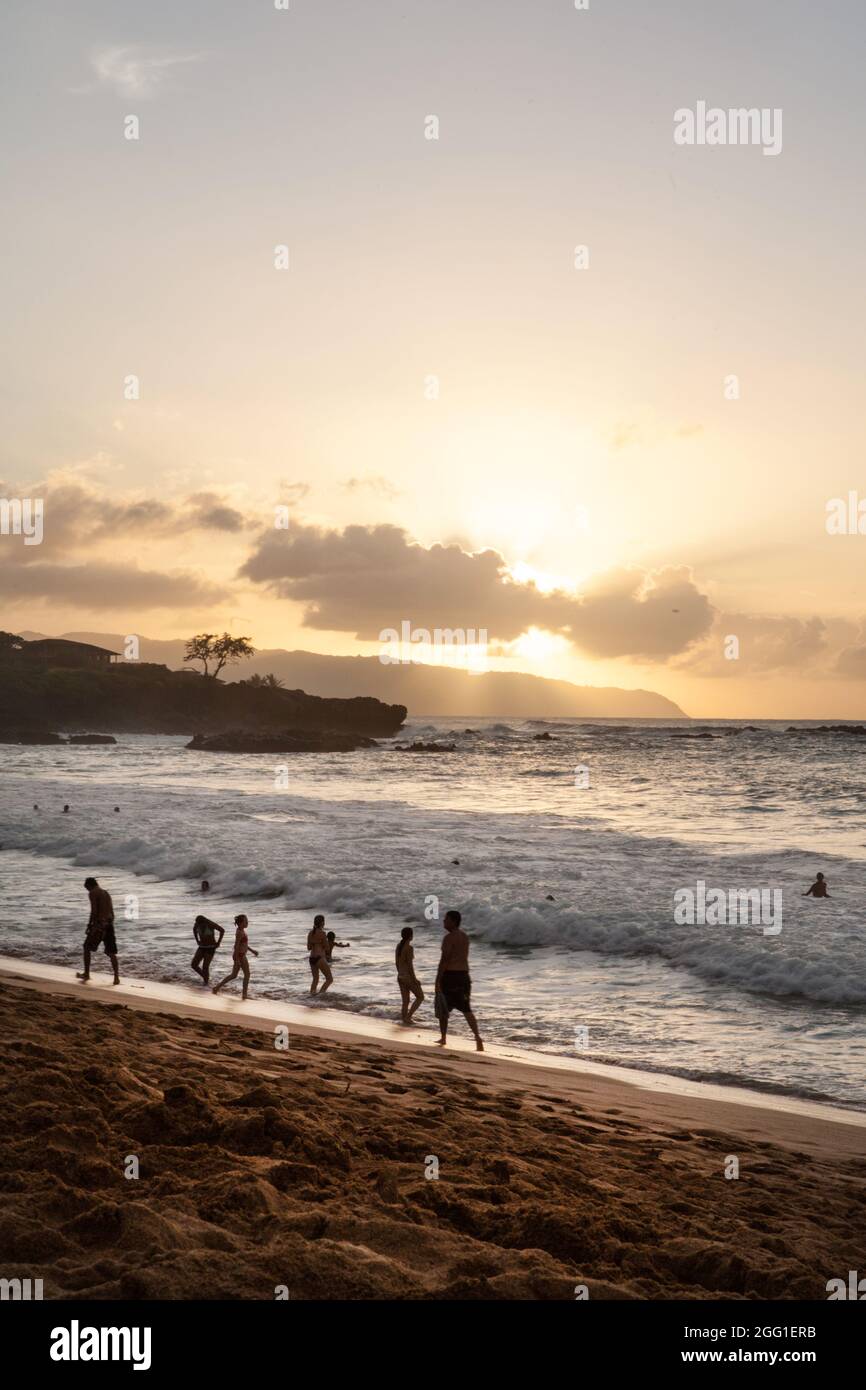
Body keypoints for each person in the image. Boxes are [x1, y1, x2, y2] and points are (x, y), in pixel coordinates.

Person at [435, 909, 483, 1051]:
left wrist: (438, 979)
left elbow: (444, 960)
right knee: (466, 1008)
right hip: (464, 976)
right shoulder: (464, 937)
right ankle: (477, 1037)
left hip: (451, 976)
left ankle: (443, 1037)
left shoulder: (449, 938)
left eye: (446, 919)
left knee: (443, 1009)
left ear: (453, 921)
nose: (444, 921)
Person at [77, 877, 119, 985]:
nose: (87, 891)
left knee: (86, 947)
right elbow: (111, 912)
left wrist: (90, 925)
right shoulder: (105, 893)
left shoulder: (93, 893)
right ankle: (116, 978)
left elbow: (94, 911)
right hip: (109, 925)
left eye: (87, 888)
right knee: (111, 952)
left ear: (89, 885)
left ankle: (86, 973)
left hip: (100, 925)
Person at [212, 915, 257, 1000]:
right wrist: (236, 959)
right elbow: (236, 946)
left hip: (240, 955)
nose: (247, 923)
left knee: (234, 975)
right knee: (247, 974)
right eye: (245, 921)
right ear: (240, 923)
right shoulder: (240, 932)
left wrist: (252, 951)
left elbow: (244, 944)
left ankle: (217, 987)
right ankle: (244, 995)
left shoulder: (242, 931)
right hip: (240, 956)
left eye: (247, 921)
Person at [396, 926, 424, 1023]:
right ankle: (408, 1017)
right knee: (420, 997)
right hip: (407, 976)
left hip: (400, 976)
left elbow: (397, 963)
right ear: (411, 936)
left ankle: (404, 1018)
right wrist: (415, 979)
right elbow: (410, 966)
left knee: (405, 1001)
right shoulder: (409, 948)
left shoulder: (398, 946)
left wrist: (400, 973)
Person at [191, 914, 224, 984]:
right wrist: (197, 940)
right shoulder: (197, 924)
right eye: (198, 924)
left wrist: (218, 942)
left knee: (205, 967)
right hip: (202, 947)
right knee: (194, 964)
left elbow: (222, 930)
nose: (199, 926)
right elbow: (194, 930)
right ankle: (206, 977)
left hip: (211, 947)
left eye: (201, 924)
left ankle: (206, 983)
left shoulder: (210, 924)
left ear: (204, 922)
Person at [307, 914, 332, 995]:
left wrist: (316, 942)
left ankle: (312, 996)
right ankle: (321, 995)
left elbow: (309, 947)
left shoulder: (310, 933)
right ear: (322, 923)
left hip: (311, 958)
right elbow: (327, 948)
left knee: (315, 979)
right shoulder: (322, 933)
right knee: (329, 979)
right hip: (320, 957)